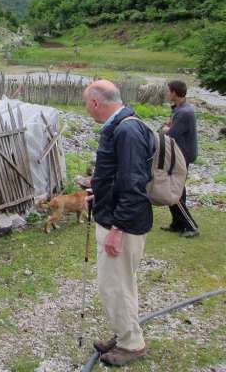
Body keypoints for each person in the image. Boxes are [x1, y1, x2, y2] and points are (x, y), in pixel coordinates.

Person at [82, 80, 154, 367]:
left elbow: (134, 183)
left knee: (115, 286)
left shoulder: (127, 130)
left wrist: (117, 228)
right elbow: (118, 176)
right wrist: (98, 193)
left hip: (121, 224)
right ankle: (125, 333)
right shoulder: (122, 126)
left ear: (96, 102)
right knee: (119, 283)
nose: (87, 109)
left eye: (87, 103)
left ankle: (131, 344)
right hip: (115, 216)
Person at [162, 80, 199, 237]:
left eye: (168, 91)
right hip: (177, 154)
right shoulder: (179, 109)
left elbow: (170, 134)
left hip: (182, 156)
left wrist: (165, 128)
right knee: (175, 189)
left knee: (174, 190)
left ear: (175, 93)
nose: (167, 93)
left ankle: (191, 227)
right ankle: (177, 223)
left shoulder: (185, 113)